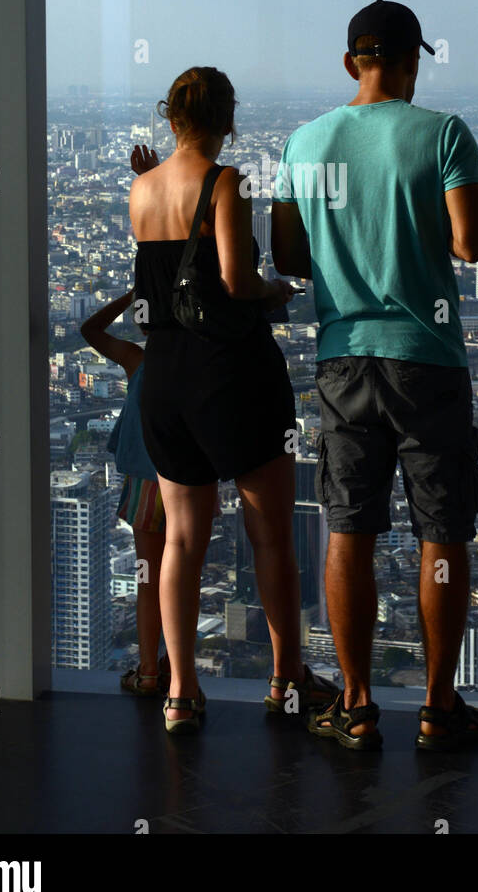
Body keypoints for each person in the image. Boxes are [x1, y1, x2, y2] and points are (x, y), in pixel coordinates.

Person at [272, 0, 478, 752]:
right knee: (442, 531)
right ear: (412, 62)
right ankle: (436, 706)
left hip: (341, 356)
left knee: (347, 529)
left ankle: (358, 704)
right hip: (424, 355)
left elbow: (292, 260)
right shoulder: (440, 133)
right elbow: (470, 246)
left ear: (348, 63)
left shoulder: (303, 144)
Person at [129, 66, 338, 734]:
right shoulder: (228, 182)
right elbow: (232, 281)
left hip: (161, 377)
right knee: (270, 534)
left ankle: (181, 693)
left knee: (181, 540)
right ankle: (287, 680)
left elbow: (161, 268)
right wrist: (276, 291)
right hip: (232, 374)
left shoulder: (140, 189)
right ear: (227, 119)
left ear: (170, 119)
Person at [79, 289, 172, 699]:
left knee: (149, 580)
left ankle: (150, 671)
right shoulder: (198, 363)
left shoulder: (138, 360)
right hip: (189, 482)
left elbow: (90, 329)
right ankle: (181, 676)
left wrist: (131, 294)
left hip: (146, 485)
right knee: (182, 581)